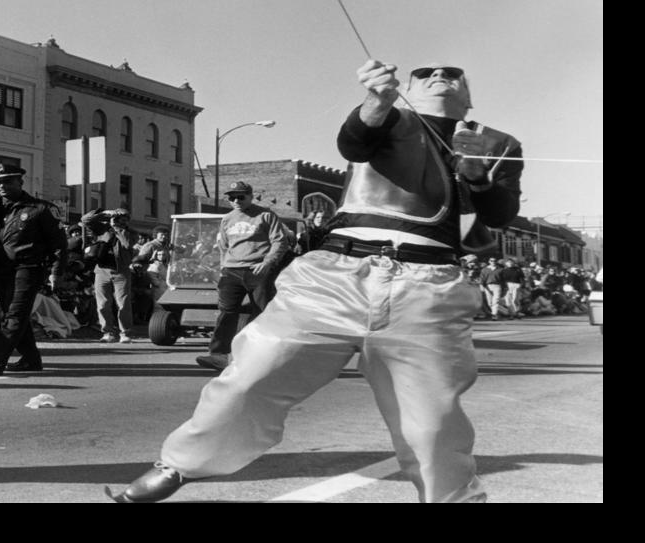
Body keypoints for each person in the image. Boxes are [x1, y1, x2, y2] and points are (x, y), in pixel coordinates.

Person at [109, 60, 522, 504]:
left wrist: (478, 176)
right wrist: (376, 100)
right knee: (253, 373)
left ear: (469, 95)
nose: (440, 76)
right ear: (408, 89)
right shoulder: (389, 117)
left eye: (453, 74)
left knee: (432, 420)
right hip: (335, 275)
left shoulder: (497, 142)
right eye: (424, 73)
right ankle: (179, 464)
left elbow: (499, 217)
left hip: (428, 288)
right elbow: (354, 143)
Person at [0, 162, 67, 374]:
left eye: (7, 181)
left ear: (20, 181)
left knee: (15, 315)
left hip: (28, 268)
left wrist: (56, 271)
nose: (1, 186)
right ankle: (31, 360)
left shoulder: (41, 209)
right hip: (0, 270)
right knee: (13, 314)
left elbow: (58, 244)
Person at [197, 179, 291, 371]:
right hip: (232, 271)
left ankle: (263, 355)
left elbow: (280, 241)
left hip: (258, 270)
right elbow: (223, 246)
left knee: (262, 311)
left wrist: (267, 263)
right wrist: (223, 268)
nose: (236, 200)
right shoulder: (227, 219)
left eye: (241, 196)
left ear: (250, 196)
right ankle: (218, 355)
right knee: (226, 312)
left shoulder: (266, 215)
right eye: (232, 197)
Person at [84, 207, 137, 343]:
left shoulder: (131, 233)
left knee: (123, 303)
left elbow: (126, 244)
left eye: (125, 219)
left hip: (121, 272)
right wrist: (104, 214)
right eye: (120, 218)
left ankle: (125, 333)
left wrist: (118, 228)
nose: (122, 221)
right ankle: (108, 332)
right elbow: (85, 220)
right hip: (102, 271)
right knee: (103, 304)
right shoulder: (101, 230)